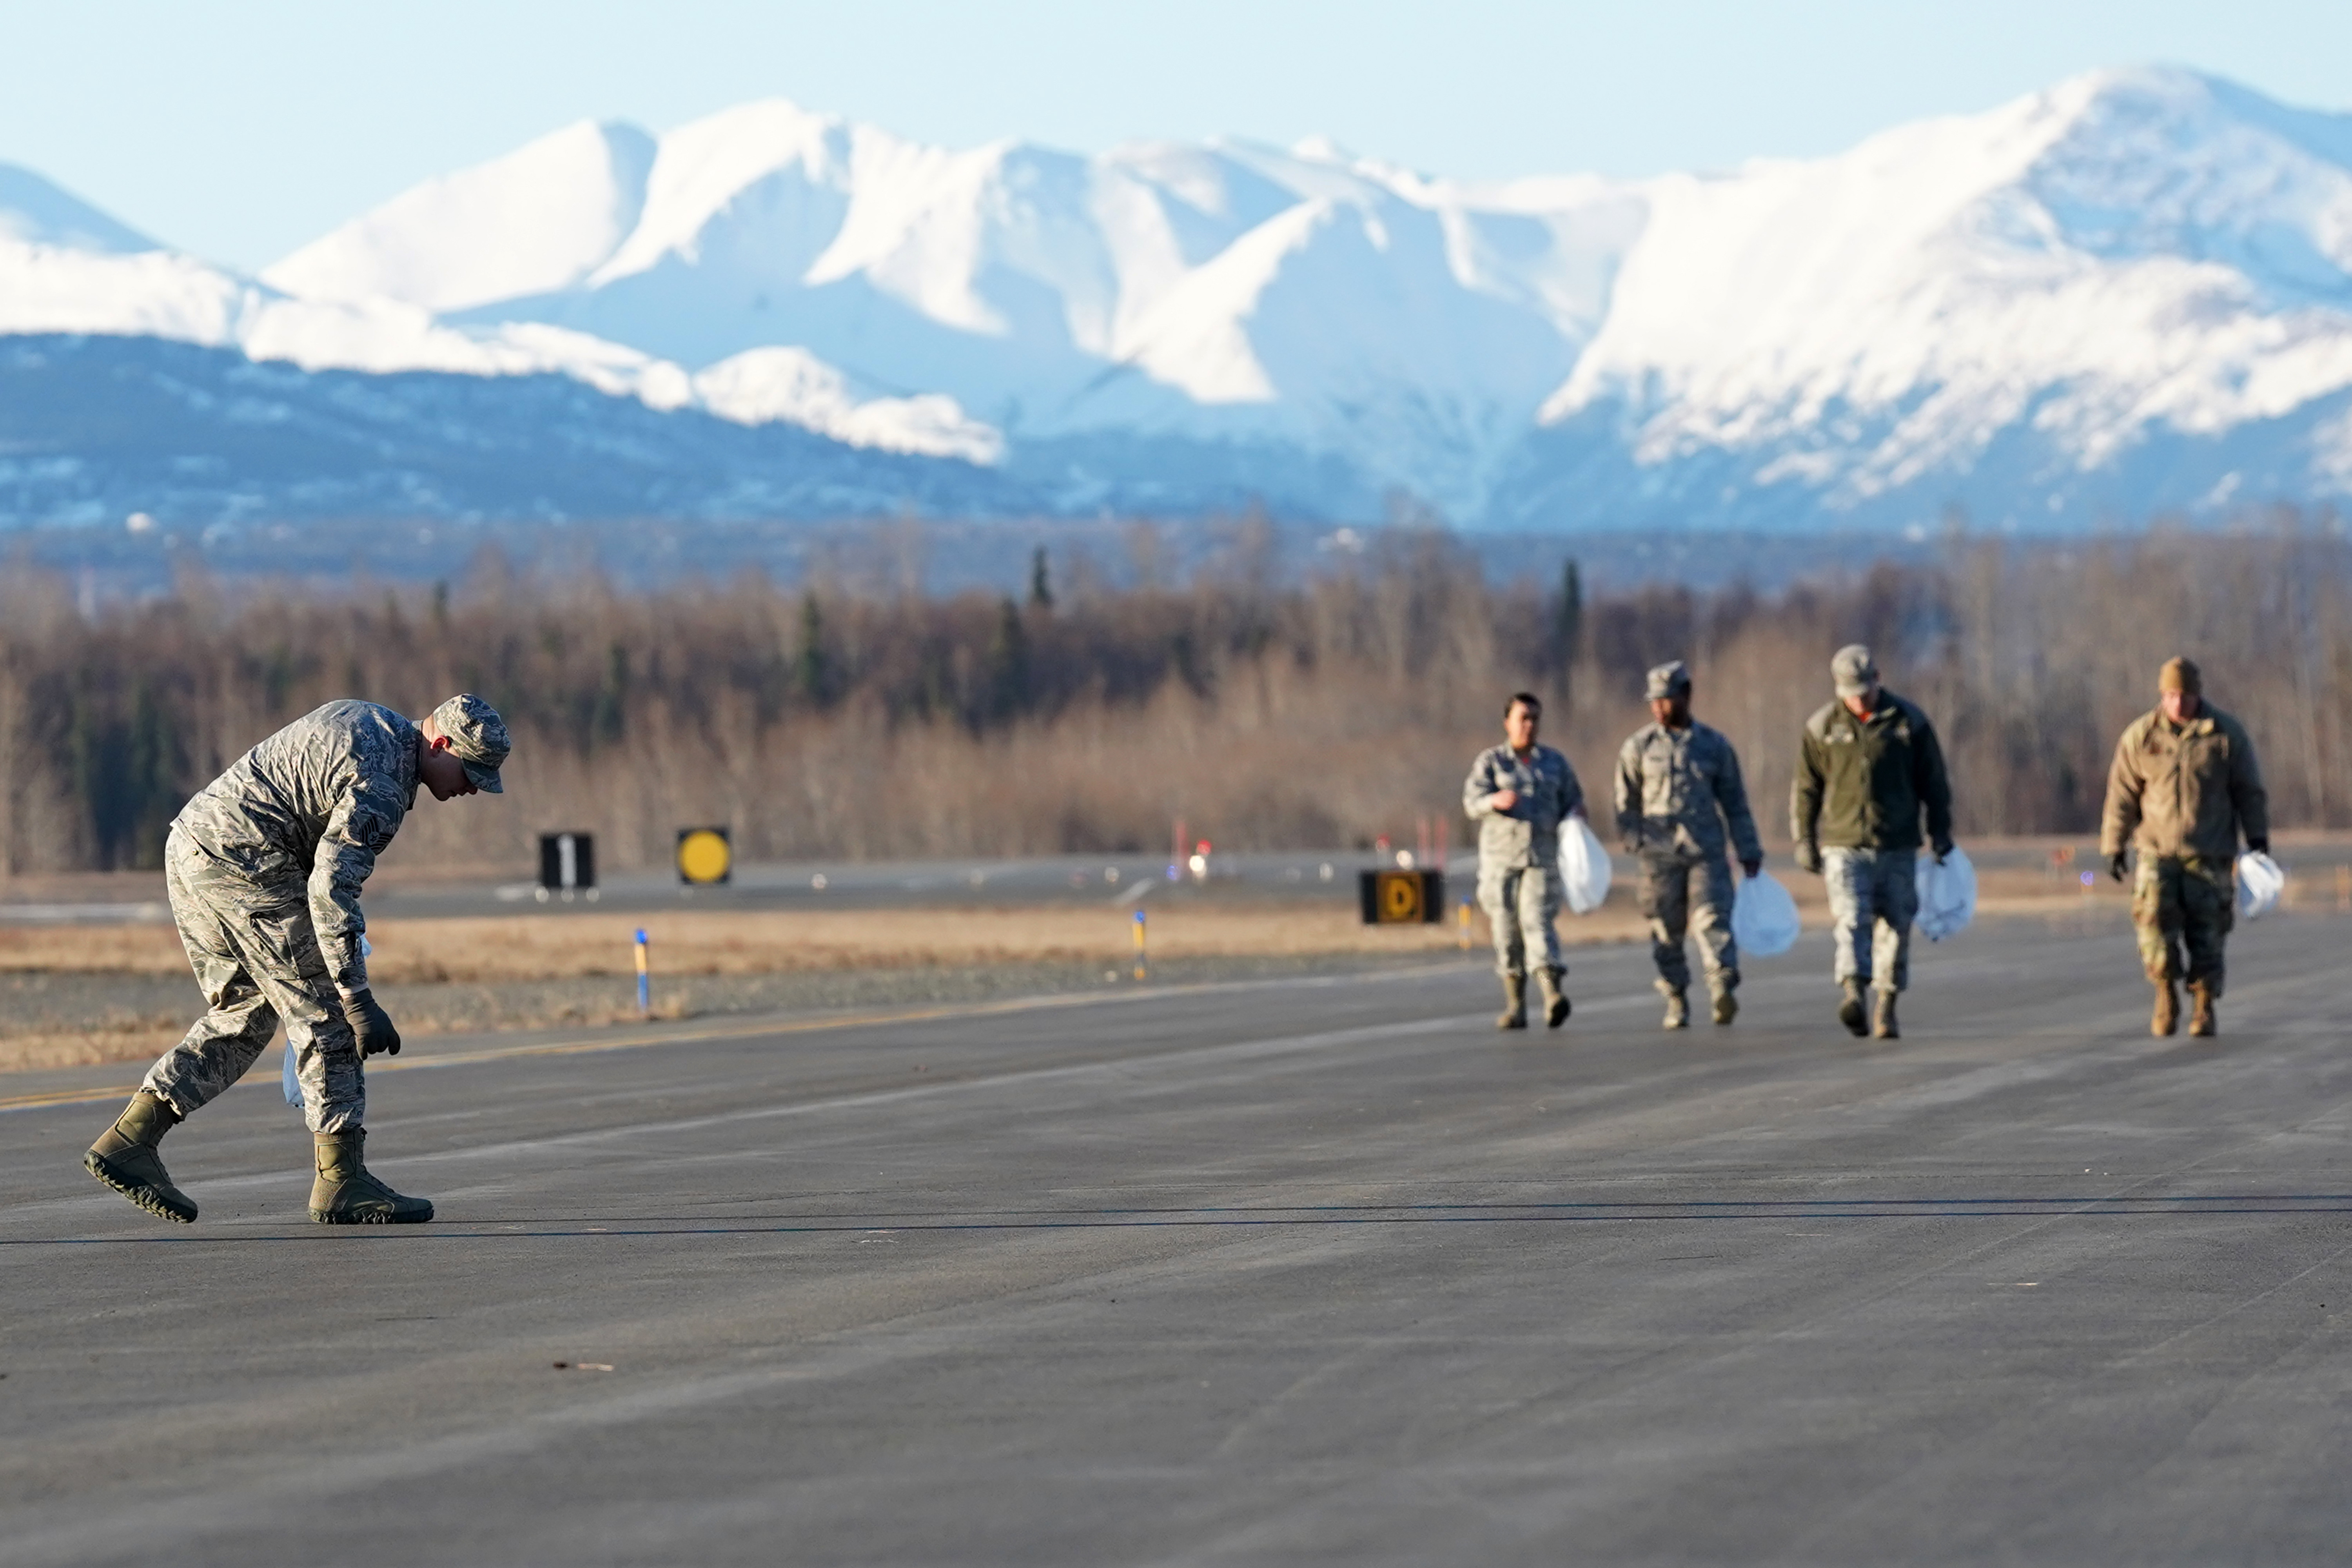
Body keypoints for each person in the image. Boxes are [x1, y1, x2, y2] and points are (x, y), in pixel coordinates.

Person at [83, 695, 509, 1225]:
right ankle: (341, 1179)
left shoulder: (369, 719)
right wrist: (359, 998)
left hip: (193, 847)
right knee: (325, 1011)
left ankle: (131, 1139)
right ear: (441, 744)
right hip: (245, 864)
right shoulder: (384, 783)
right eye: (471, 772)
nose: (471, 788)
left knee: (245, 1013)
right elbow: (331, 891)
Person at [1790, 645, 1953, 1040]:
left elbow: (1934, 782)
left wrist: (1941, 831)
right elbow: (1806, 789)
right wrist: (1804, 840)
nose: (1859, 698)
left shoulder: (1908, 723)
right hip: (1844, 843)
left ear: (1878, 678)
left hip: (1897, 844)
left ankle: (1887, 1005)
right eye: (1851, 691)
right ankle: (1853, 992)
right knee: (1851, 918)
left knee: (1896, 928)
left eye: (1865, 688)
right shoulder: (1822, 727)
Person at [2099, 657, 2268, 1038]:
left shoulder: (2224, 735)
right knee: (2153, 926)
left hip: (2210, 851)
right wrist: (2114, 845)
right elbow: (2122, 795)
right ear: (2162, 695)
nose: (2178, 704)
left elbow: (2249, 791)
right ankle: (2165, 993)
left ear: (2198, 695)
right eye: (2171, 695)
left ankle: (2204, 1004)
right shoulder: (2141, 737)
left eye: (2185, 695)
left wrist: (2257, 839)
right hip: (2156, 851)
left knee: (2208, 933)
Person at [1614, 661, 1764, 1030]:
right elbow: (1626, 800)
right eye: (1654, 701)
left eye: (1666, 700)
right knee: (1666, 929)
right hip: (1658, 856)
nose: (1659, 708)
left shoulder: (1713, 746)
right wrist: (1633, 838)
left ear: (1686, 696)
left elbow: (1735, 803)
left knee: (1712, 920)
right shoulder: (1639, 746)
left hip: (1705, 851)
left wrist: (1749, 848)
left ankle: (1721, 988)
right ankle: (1676, 997)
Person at [1463, 692, 1586, 1031]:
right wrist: (1494, 801)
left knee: (1537, 922)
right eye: (1523, 718)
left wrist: (1576, 815)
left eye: (1534, 718)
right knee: (1505, 930)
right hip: (1500, 861)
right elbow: (1471, 803)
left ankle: (1552, 995)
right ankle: (1515, 1004)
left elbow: (1574, 800)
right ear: (1508, 723)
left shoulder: (1555, 763)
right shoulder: (1491, 763)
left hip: (1541, 858)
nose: (1529, 725)